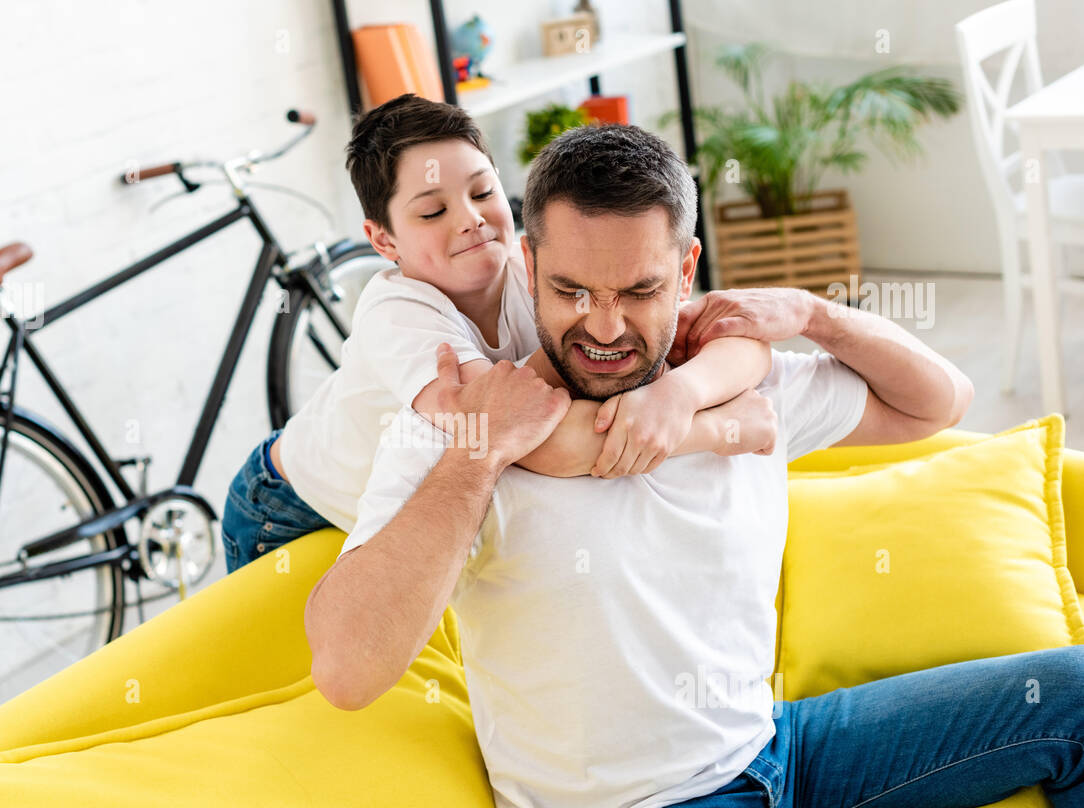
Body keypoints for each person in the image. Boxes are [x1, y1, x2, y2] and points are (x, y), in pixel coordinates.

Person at [305, 123, 1084, 808]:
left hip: (771, 748)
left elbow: (939, 399)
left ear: (685, 271)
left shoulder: (725, 379)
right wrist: (479, 462)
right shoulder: (467, 430)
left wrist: (812, 314)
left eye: (638, 289)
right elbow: (346, 669)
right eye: (570, 289)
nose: (602, 325)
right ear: (528, 263)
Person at [220, 94, 776, 574]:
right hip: (287, 504)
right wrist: (717, 427)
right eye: (432, 211)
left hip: (373, 501)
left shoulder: (530, 267)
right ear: (384, 241)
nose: (470, 219)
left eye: (483, 192)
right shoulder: (398, 315)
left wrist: (683, 394)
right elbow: (520, 436)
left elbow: (718, 334)